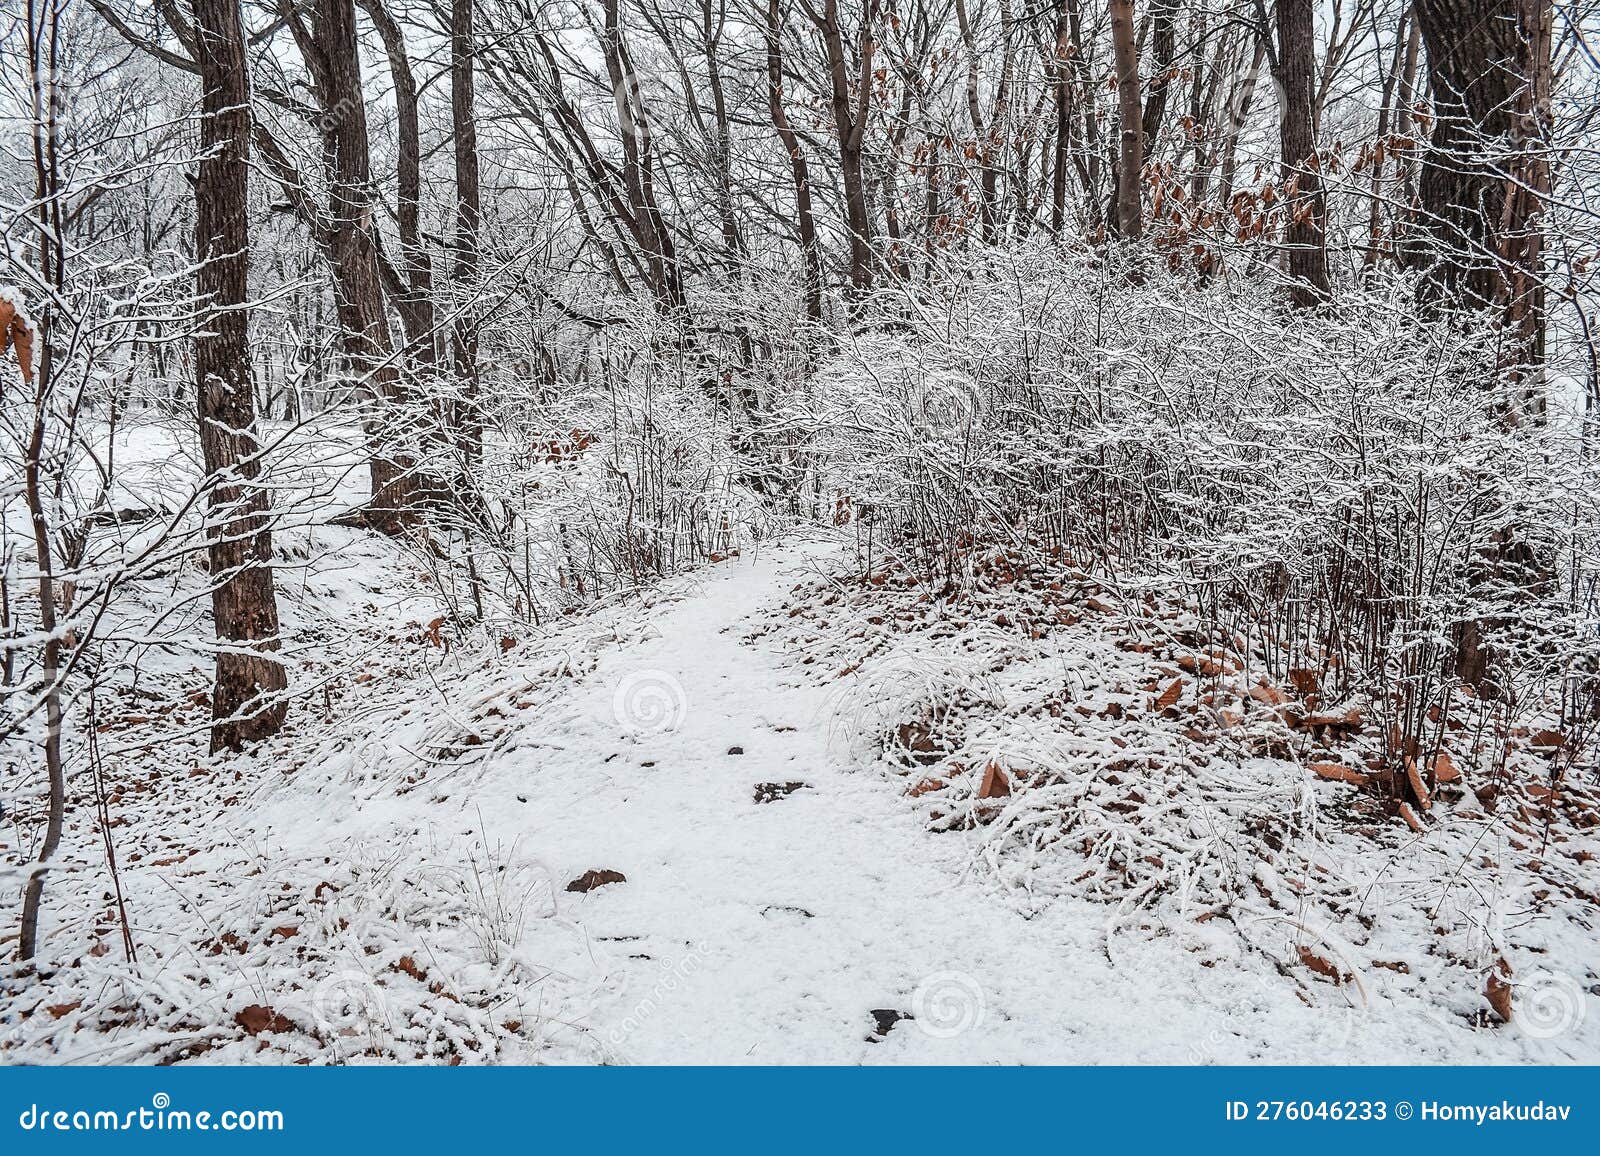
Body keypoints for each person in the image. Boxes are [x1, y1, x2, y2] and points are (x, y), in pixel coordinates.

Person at [0, 285, 36, 386]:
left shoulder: (6, 299)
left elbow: (23, 333)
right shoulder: (6, 299)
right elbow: (24, 335)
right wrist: (29, 373)